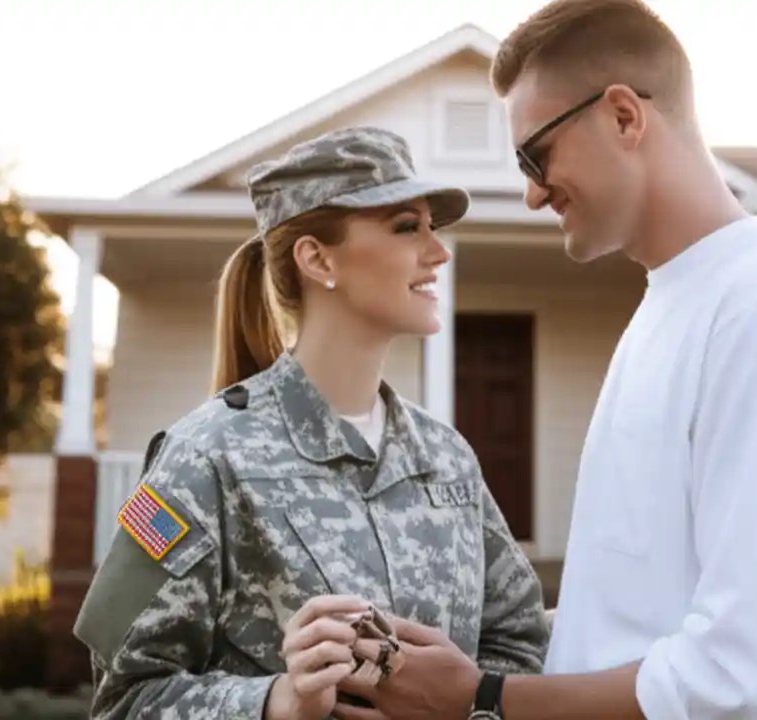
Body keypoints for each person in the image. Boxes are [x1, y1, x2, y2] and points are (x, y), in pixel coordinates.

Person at [334, 1, 757, 719]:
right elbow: (636, 618)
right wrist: (466, 655)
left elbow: (748, 671)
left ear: (623, 116)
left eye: (536, 156)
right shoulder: (674, 305)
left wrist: (483, 700)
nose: (531, 194)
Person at [73, 126, 550, 720]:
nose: (439, 252)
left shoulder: (446, 456)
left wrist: (465, 701)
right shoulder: (203, 456)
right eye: (407, 227)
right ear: (318, 258)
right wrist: (278, 701)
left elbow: (519, 644)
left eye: (434, 227)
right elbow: (124, 700)